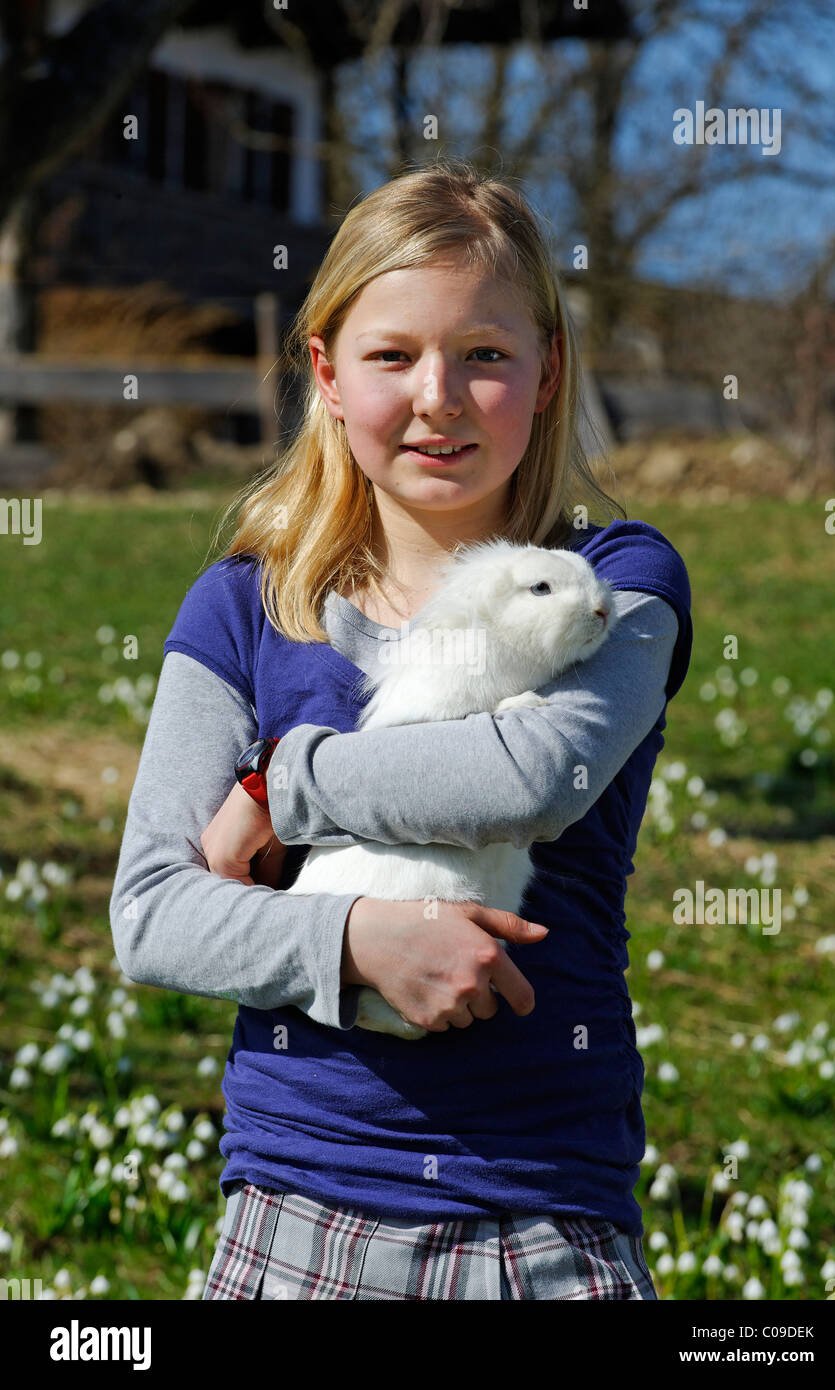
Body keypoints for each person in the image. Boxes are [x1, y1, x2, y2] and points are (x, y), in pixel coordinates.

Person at [110, 157, 692, 1300]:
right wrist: (353, 942)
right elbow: (149, 912)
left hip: (539, 1219)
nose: (439, 395)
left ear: (549, 368)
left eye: (485, 354)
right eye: (392, 355)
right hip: (292, 1213)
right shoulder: (243, 606)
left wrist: (285, 784)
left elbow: (532, 773)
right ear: (326, 371)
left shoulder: (613, 582)